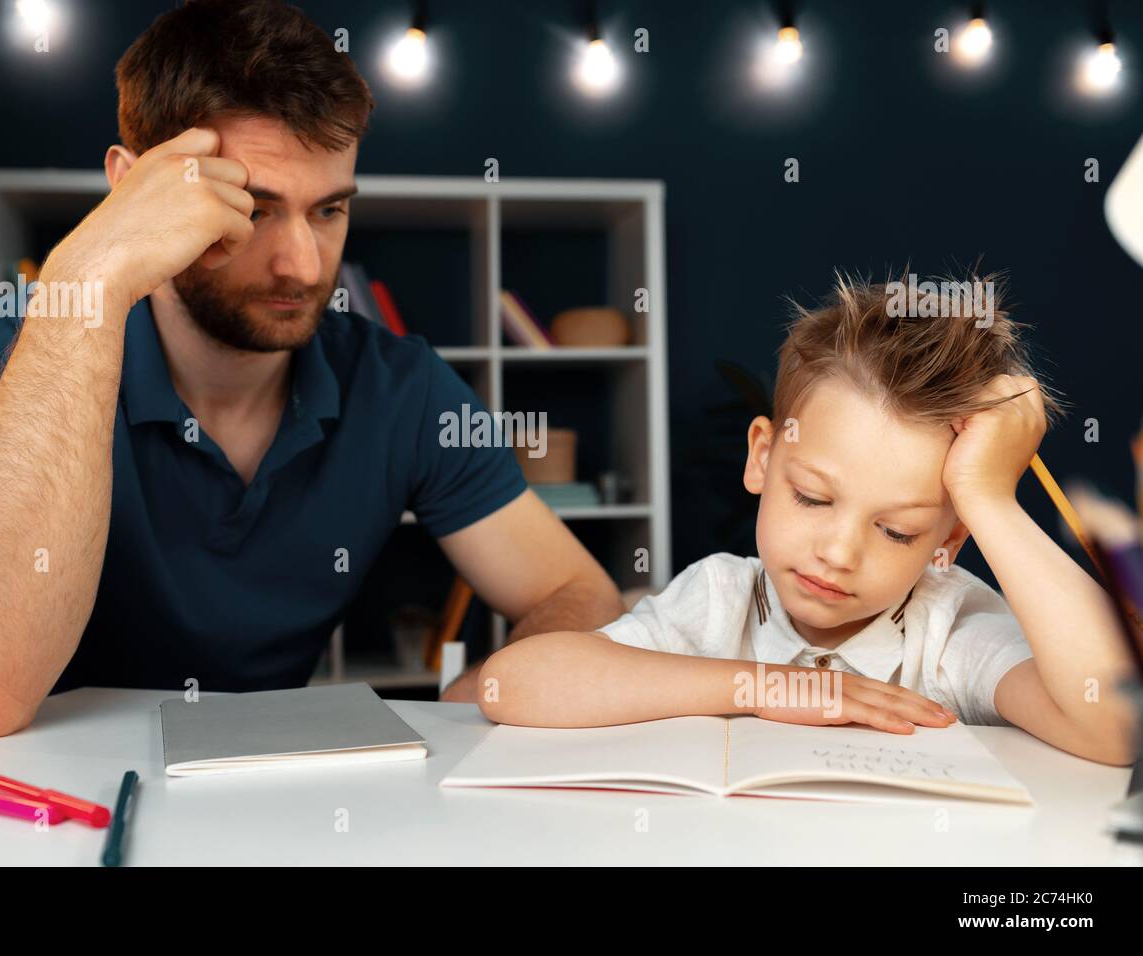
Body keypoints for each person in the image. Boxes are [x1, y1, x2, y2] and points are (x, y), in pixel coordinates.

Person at [0, 0, 622, 737]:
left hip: (266, 811)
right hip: (21, 819)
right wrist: (91, 269)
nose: (303, 266)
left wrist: (468, 711)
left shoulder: (401, 387)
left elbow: (580, 594)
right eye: (252, 206)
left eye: (330, 210)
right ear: (130, 189)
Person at [478, 272, 1138, 766]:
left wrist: (990, 498)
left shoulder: (947, 629)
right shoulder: (719, 600)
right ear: (763, 456)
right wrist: (767, 686)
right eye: (814, 498)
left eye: (898, 530)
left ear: (951, 538)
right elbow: (511, 683)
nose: (839, 552)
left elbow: (1119, 727)